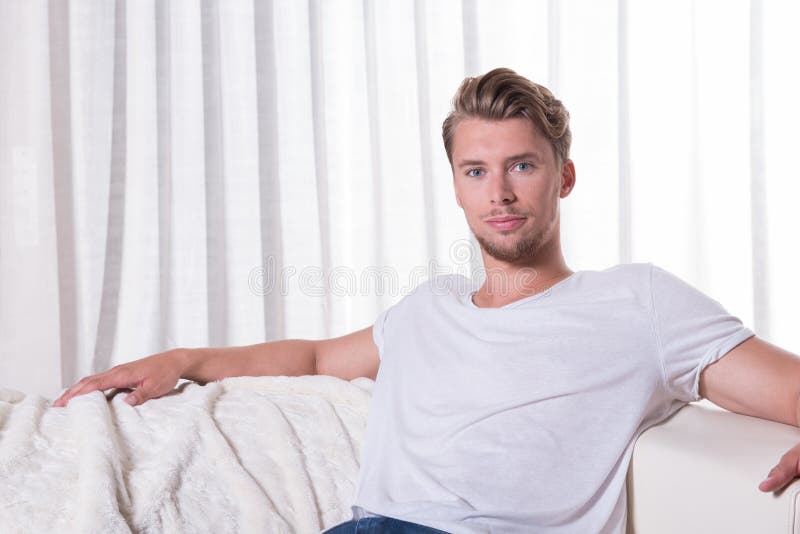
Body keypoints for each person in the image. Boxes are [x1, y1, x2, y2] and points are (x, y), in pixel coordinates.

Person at [52, 68, 800, 533]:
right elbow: (314, 356)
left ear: (564, 177)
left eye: (522, 166)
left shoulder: (639, 303)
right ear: (454, 185)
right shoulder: (428, 308)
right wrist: (181, 360)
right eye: (475, 171)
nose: (500, 193)